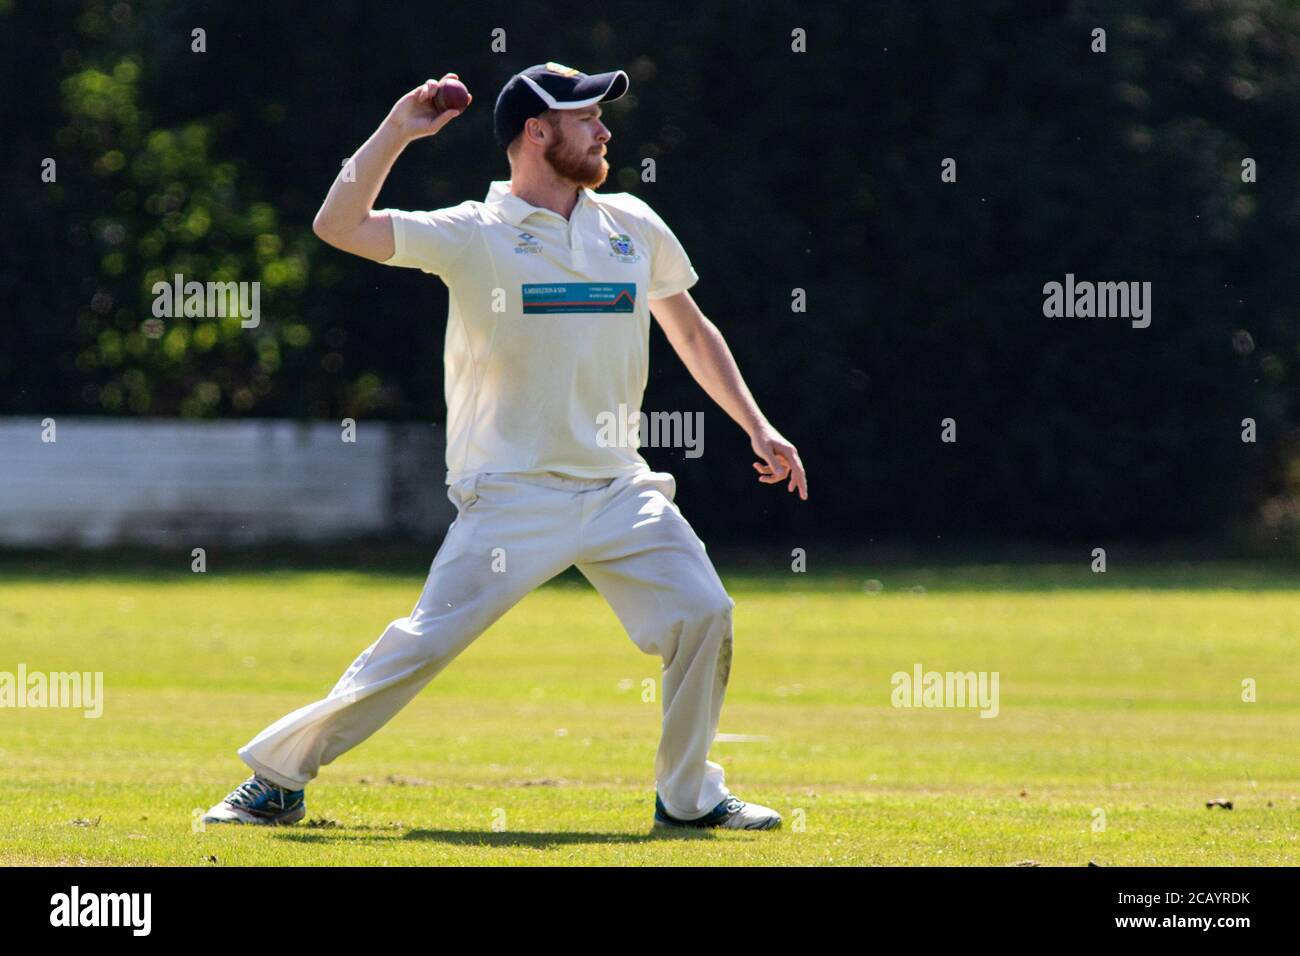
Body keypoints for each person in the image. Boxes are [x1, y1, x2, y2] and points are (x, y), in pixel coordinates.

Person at [203, 62, 807, 831]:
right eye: (587, 117)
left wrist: (756, 424)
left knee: (704, 613)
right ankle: (277, 778)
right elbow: (338, 225)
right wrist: (397, 129)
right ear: (537, 132)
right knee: (419, 648)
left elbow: (689, 328)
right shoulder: (473, 235)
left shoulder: (632, 225)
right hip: (512, 495)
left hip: (619, 489)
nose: (605, 129)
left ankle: (687, 799)